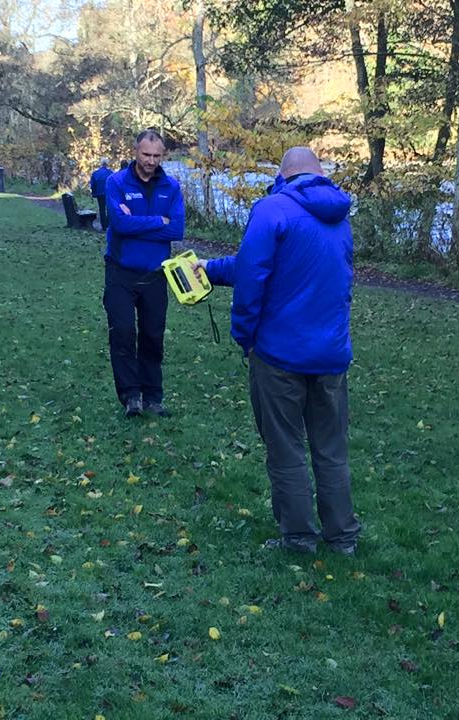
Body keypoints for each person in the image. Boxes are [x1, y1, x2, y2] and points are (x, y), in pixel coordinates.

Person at [195, 147, 361, 555]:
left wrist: (244, 336)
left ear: (283, 174)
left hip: (280, 357)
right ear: (319, 174)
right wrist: (210, 268)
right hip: (331, 357)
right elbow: (263, 265)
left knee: (285, 448)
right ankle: (342, 537)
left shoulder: (272, 209)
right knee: (331, 450)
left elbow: (254, 278)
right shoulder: (341, 220)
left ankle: (299, 538)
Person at [102, 130, 184, 418]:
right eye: (145, 154)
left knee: (152, 335)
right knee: (123, 333)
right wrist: (156, 222)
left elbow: (177, 230)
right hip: (120, 272)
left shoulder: (171, 187)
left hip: (155, 274)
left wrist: (138, 223)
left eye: (156, 155)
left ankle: (153, 396)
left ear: (163, 156)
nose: (150, 161)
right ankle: (130, 396)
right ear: (135, 151)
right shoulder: (116, 182)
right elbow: (120, 225)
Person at [89, 158, 112, 231]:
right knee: (109, 209)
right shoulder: (111, 173)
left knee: (101, 209)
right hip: (108, 193)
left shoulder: (95, 173)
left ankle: (104, 226)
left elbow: (92, 185)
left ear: (101, 164)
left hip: (100, 194)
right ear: (107, 164)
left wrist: (93, 193)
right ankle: (108, 224)